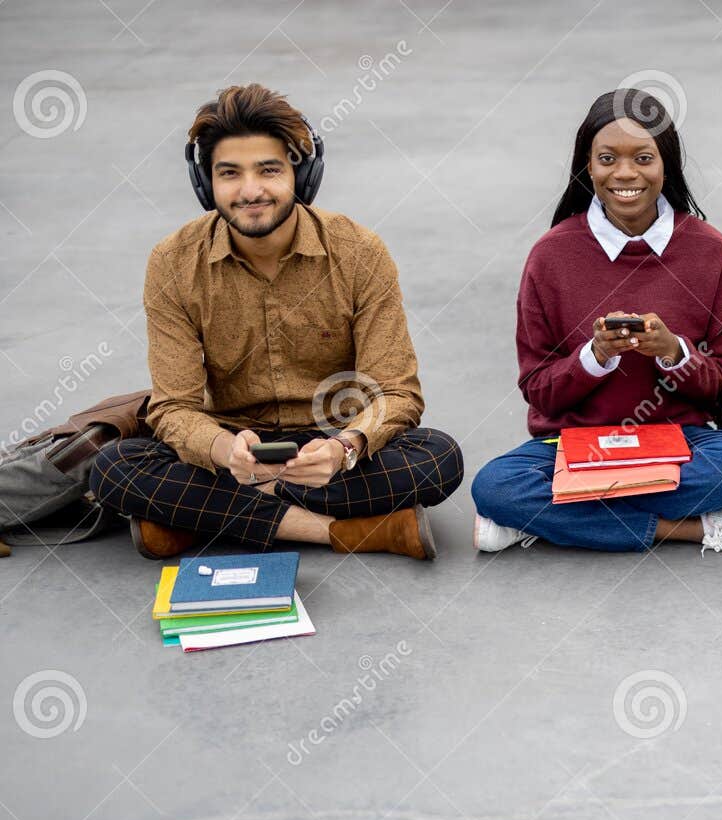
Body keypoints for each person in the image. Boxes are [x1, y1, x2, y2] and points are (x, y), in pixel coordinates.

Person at [90, 84, 462, 561]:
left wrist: (345, 449)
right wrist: (224, 450)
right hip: (232, 444)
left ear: (301, 175)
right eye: (229, 173)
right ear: (205, 183)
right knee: (116, 467)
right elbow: (175, 408)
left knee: (438, 458)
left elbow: (396, 391)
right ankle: (343, 532)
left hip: (331, 442)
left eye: (269, 170)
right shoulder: (173, 262)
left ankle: (198, 519)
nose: (251, 191)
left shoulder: (359, 252)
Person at [470, 90, 722, 557]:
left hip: (680, 440)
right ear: (587, 166)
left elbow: (720, 380)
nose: (625, 173)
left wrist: (673, 352)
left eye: (643, 158)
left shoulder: (708, 250)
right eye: (607, 159)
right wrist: (595, 356)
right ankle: (694, 529)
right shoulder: (550, 254)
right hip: (572, 443)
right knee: (496, 486)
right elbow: (538, 388)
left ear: (666, 165)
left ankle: (551, 519)